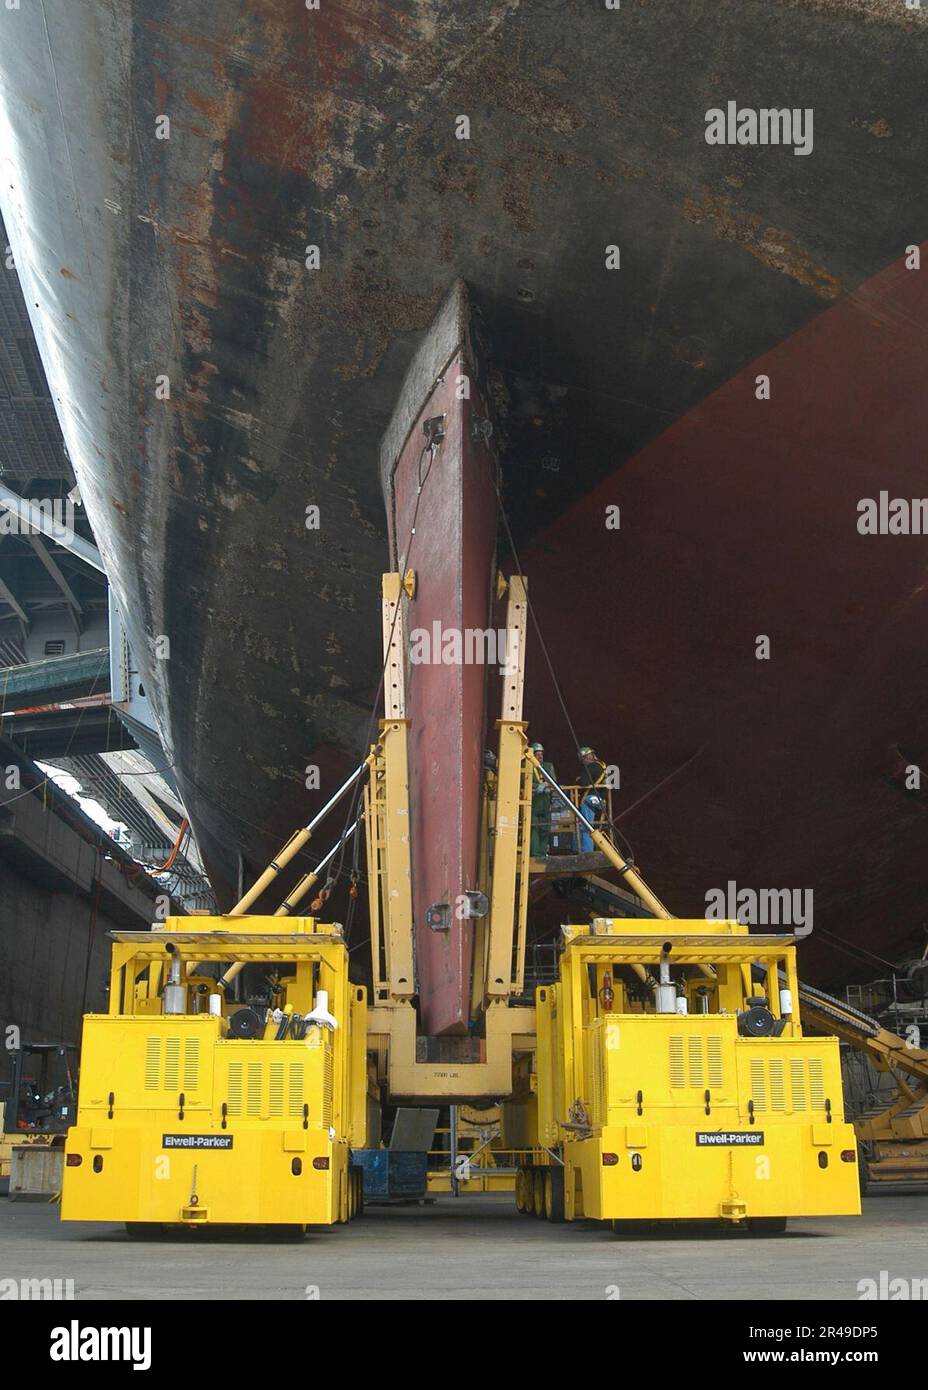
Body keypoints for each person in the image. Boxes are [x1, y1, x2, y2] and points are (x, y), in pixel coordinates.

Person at [530, 741, 556, 857]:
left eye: (541, 754)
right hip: (533, 801)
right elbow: (523, 782)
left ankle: (542, 851)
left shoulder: (548, 766)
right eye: (537, 754)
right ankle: (535, 852)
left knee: (545, 827)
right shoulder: (528, 766)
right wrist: (537, 787)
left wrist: (546, 785)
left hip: (545, 801)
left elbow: (554, 781)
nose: (540, 756)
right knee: (534, 827)